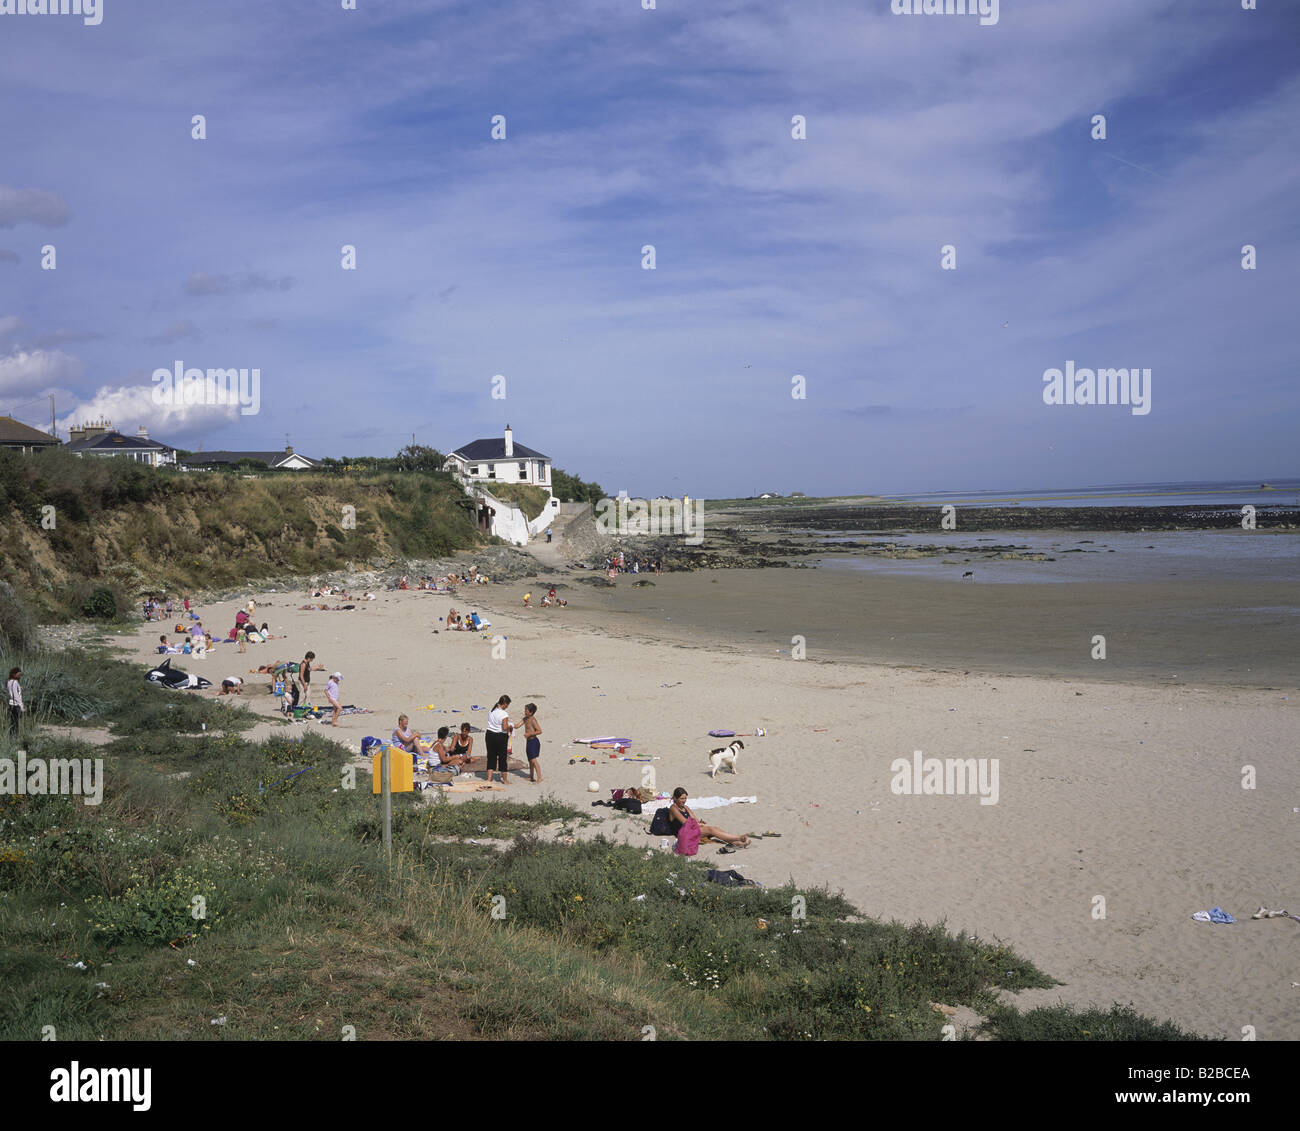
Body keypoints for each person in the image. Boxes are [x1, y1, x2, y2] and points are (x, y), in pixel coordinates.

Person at [668, 788, 749, 848]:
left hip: (691, 829)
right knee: (711, 830)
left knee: (714, 828)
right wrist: (698, 824)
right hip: (684, 834)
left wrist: (700, 823)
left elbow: (694, 820)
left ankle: (737, 843)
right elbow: (685, 822)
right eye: (681, 798)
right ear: (675, 798)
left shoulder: (686, 807)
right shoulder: (673, 808)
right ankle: (738, 837)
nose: (684, 800)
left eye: (685, 798)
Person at [484, 694, 513, 785]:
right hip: (500, 736)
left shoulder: (492, 710)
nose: (507, 707)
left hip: (489, 734)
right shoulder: (504, 714)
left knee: (491, 756)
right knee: (502, 758)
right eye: (507, 705)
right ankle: (505, 780)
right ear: (504, 703)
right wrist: (510, 726)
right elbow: (504, 727)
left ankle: (489, 778)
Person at [522, 702, 543, 783]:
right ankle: (531, 776)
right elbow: (517, 725)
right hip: (528, 742)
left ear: (531, 712)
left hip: (534, 741)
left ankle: (539, 777)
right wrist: (510, 726)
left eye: (526, 710)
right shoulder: (525, 719)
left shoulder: (533, 720)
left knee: (534, 760)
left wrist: (530, 733)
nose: (524, 711)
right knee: (530, 760)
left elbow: (539, 731)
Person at [7, 667, 23, 737]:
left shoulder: (9, 681)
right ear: (14, 674)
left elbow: (12, 691)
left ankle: (12, 736)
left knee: (12, 722)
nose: (20, 676)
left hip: (10, 704)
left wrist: (19, 687)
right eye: (18, 674)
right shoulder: (15, 682)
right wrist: (21, 706)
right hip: (16, 704)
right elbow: (16, 696)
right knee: (16, 723)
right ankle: (14, 737)